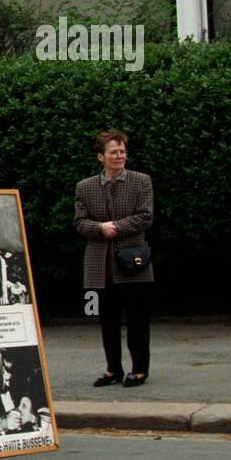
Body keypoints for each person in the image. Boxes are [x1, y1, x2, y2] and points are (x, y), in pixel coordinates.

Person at [74, 129, 154, 387]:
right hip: (100, 264)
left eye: (122, 152)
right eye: (113, 152)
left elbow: (145, 216)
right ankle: (113, 369)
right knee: (107, 321)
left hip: (133, 262)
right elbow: (79, 222)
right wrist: (99, 228)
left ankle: (140, 369)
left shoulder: (141, 181)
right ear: (101, 157)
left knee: (137, 319)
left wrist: (115, 227)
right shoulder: (84, 187)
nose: (119, 156)